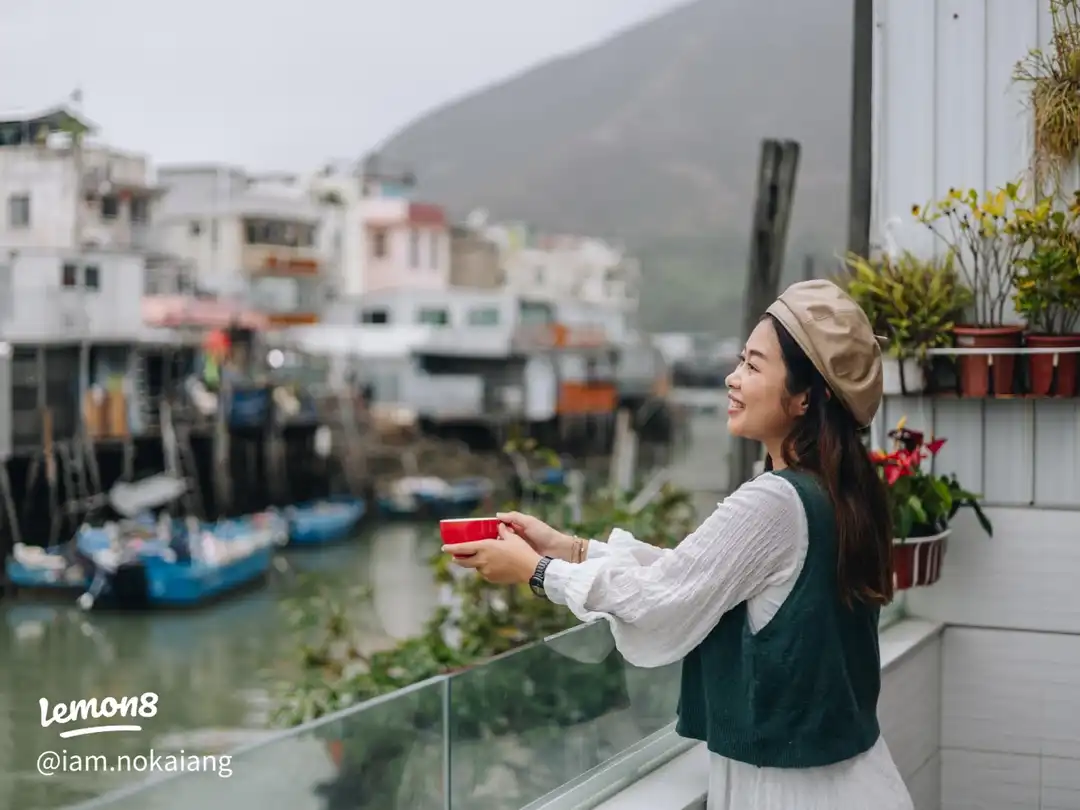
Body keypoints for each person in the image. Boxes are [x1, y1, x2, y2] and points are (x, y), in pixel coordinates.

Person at [443, 279, 914, 809]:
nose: (733, 379)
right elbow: (700, 576)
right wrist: (569, 549)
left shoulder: (777, 503)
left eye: (755, 366)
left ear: (809, 396)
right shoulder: (842, 492)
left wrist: (537, 572)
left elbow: (661, 604)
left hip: (793, 793)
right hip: (854, 780)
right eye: (740, 361)